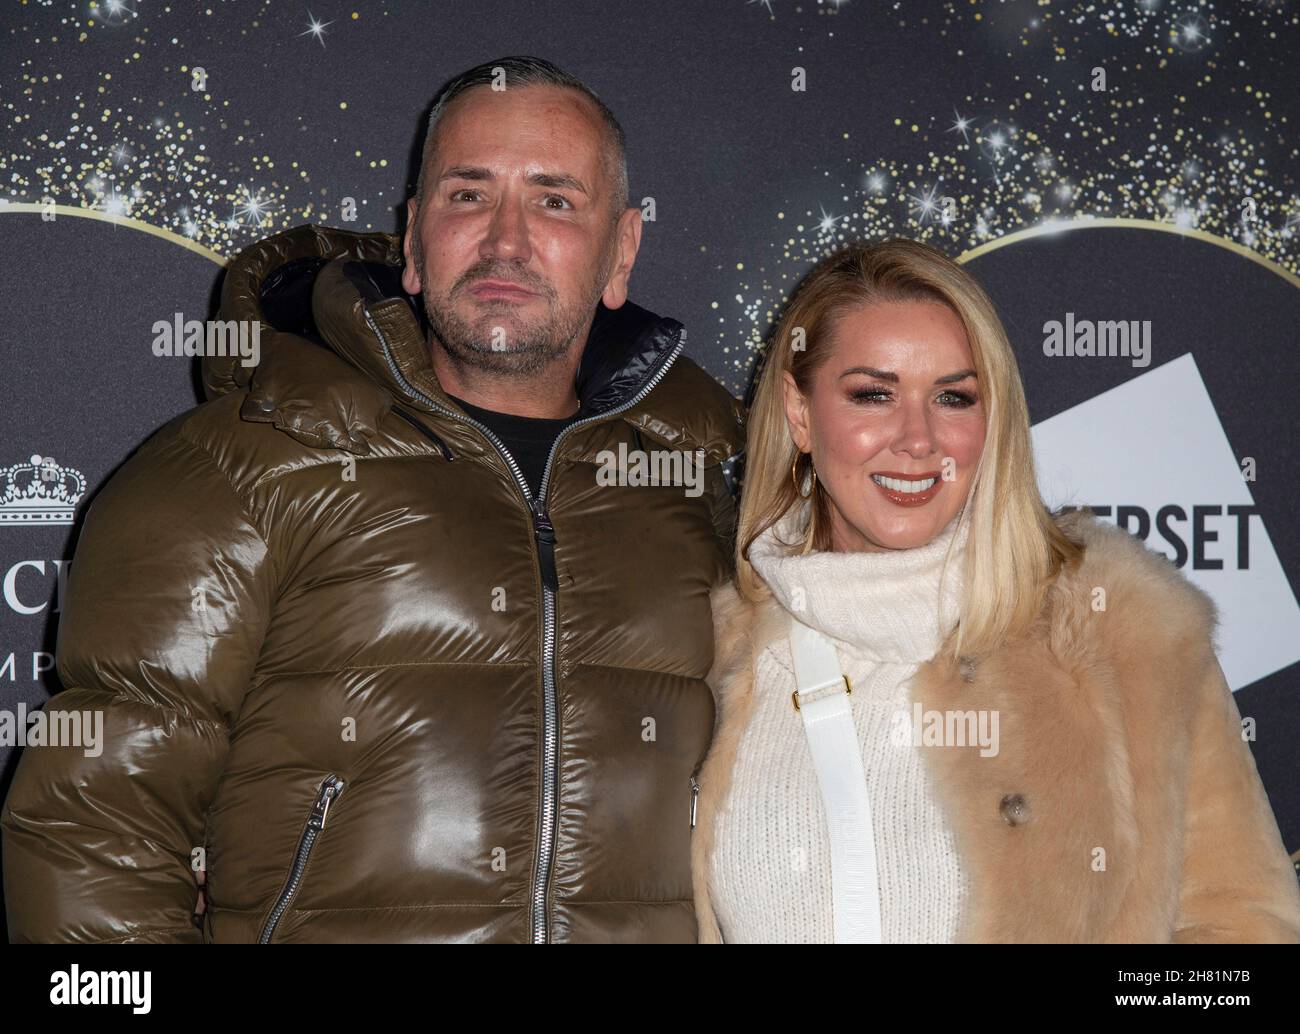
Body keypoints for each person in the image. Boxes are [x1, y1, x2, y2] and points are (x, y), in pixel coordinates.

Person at [1, 55, 744, 943]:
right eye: (469, 195)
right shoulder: (239, 465)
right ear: (415, 240)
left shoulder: (707, 492)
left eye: (554, 200)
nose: (506, 240)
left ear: (620, 252)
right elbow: (93, 830)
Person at [690, 238, 1300, 943]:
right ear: (800, 414)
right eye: (873, 394)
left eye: (953, 397)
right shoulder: (712, 653)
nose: (917, 438)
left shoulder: (1120, 631)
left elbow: (1246, 926)